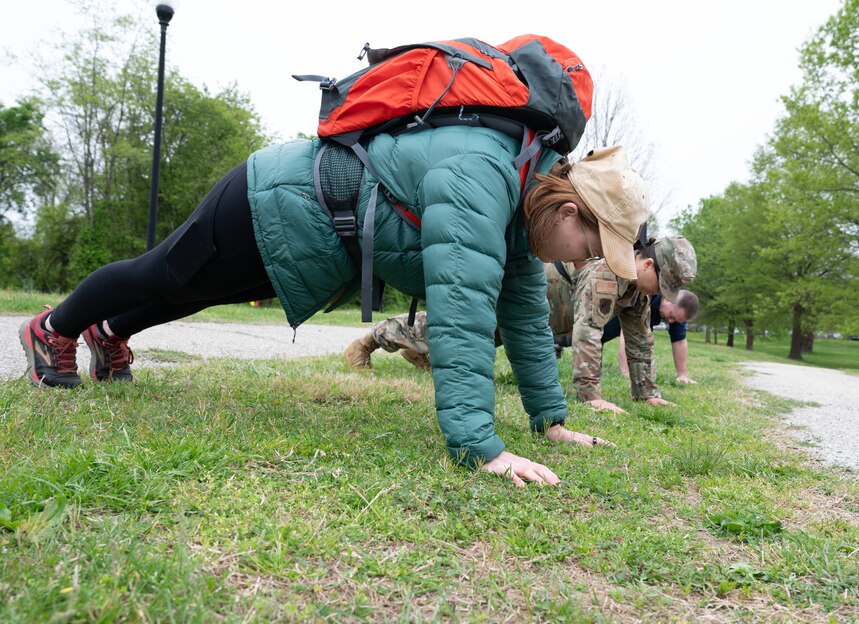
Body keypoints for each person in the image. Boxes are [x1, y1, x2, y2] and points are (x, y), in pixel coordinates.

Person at [18, 134, 650, 487]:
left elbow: (522, 319)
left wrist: (550, 419)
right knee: (164, 270)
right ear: (568, 213)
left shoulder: (519, 214)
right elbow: (463, 317)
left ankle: (110, 333)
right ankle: (52, 327)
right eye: (589, 247)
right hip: (277, 194)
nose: (579, 262)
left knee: (194, 290)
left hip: (309, 235)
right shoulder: (484, 178)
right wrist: (482, 448)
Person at [346, 234, 698, 415]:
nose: (662, 294)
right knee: (445, 329)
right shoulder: (608, 272)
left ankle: (420, 352)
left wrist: (648, 394)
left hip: (534, 319)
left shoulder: (636, 292)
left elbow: (640, 342)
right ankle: (369, 341)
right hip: (515, 299)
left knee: (457, 341)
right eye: (663, 284)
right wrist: (591, 396)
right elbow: (587, 333)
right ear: (647, 264)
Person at [607, 289, 700, 384]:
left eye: (676, 319)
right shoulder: (646, 294)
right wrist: (626, 372)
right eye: (671, 315)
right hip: (605, 320)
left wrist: (682, 374)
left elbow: (680, 341)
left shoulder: (676, 312)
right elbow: (628, 333)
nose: (671, 321)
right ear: (668, 300)